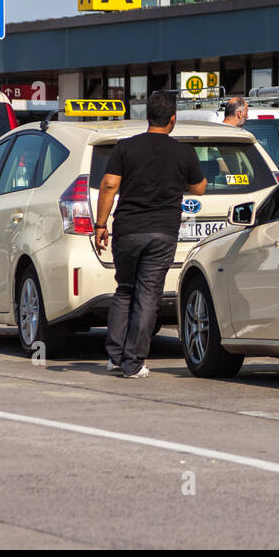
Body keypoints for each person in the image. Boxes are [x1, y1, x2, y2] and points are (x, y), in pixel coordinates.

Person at [94, 91, 207, 379]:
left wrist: (100, 225)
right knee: (148, 295)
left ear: (148, 118)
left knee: (125, 289)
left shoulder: (125, 148)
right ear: (172, 120)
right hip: (162, 233)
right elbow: (199, 188)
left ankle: (116, 357)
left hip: (127, 230)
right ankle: (133, 363)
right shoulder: (183, 152)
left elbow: (108, 186)